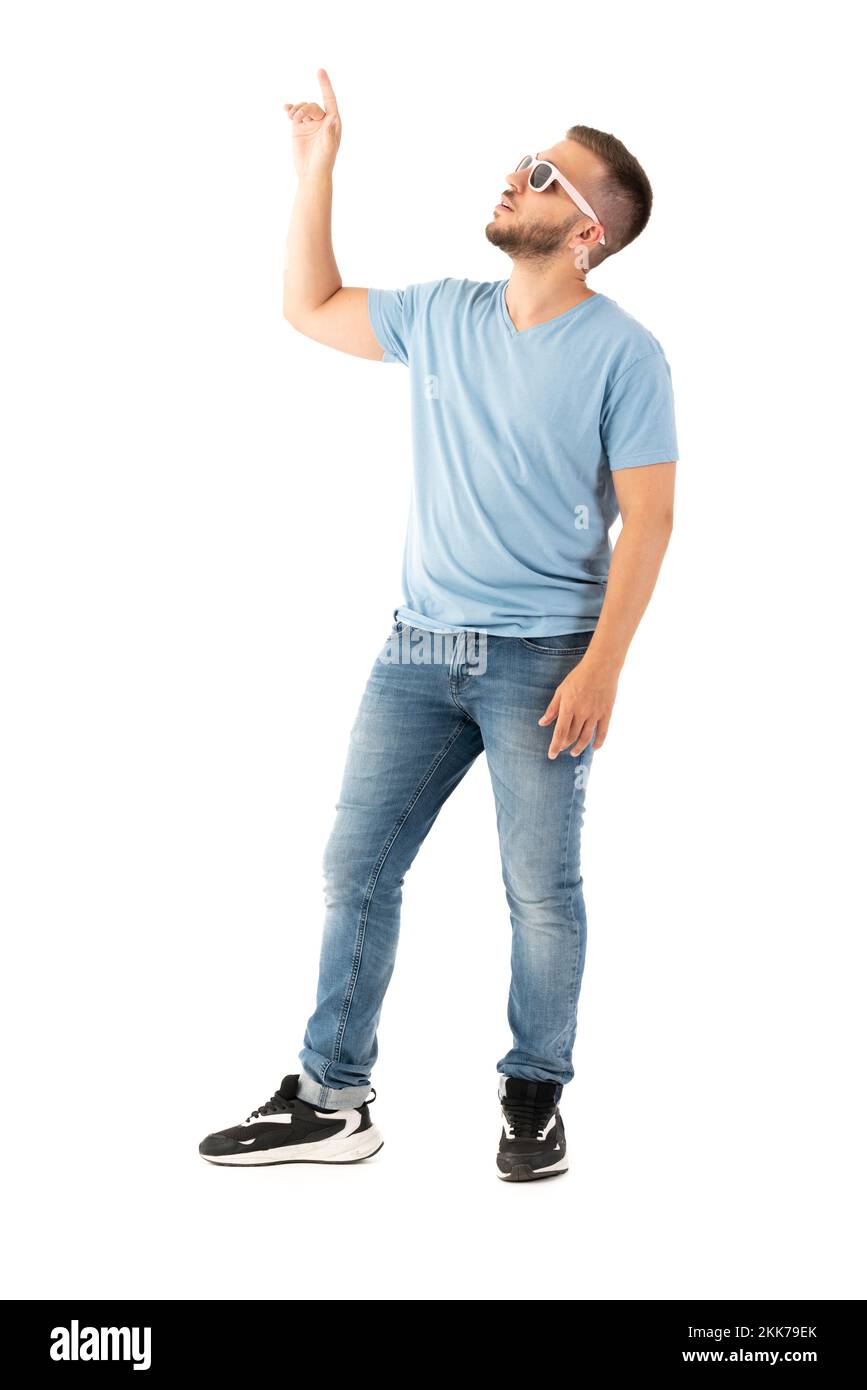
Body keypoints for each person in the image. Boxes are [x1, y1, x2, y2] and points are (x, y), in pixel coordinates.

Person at [199, 69, 678, 1182]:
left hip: (545, 661)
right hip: (416, 651)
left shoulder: (628, 355)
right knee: (355, 865)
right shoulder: (445, 314)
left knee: (539, 892)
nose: (516, 176)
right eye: (524, 159)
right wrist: (317, 170)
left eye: (544, 173)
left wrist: (604, 665)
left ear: (587, 231)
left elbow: (651, 520)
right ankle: (332, 1096)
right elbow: (309, 307)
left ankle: (534, 1092)